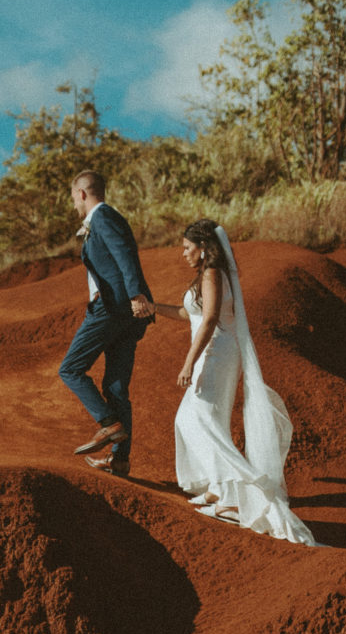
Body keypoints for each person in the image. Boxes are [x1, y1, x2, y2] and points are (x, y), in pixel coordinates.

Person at [164, 219, 316, 545]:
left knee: (196, 419)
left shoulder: (212, 274)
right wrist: (154, 310)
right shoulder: (207, 276)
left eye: (187, 247)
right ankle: (220, 489)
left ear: (203, 248)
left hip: (215, 353)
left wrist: (189, 363)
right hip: (214, 352)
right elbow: (188, 314)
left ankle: (237, 497)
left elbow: (209, 320)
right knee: (206, 421)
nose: (183, 253)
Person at [58, 170, 155, 477]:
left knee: (70, 369)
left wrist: (136, 293)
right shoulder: (101, 221)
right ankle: (120, 460)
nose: (74, 203)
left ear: (82, 194)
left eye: (74, 197)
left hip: (112, 308)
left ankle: (107, 424)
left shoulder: (102, 218)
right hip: (126, 314)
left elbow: (125, 254)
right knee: (116, 387)